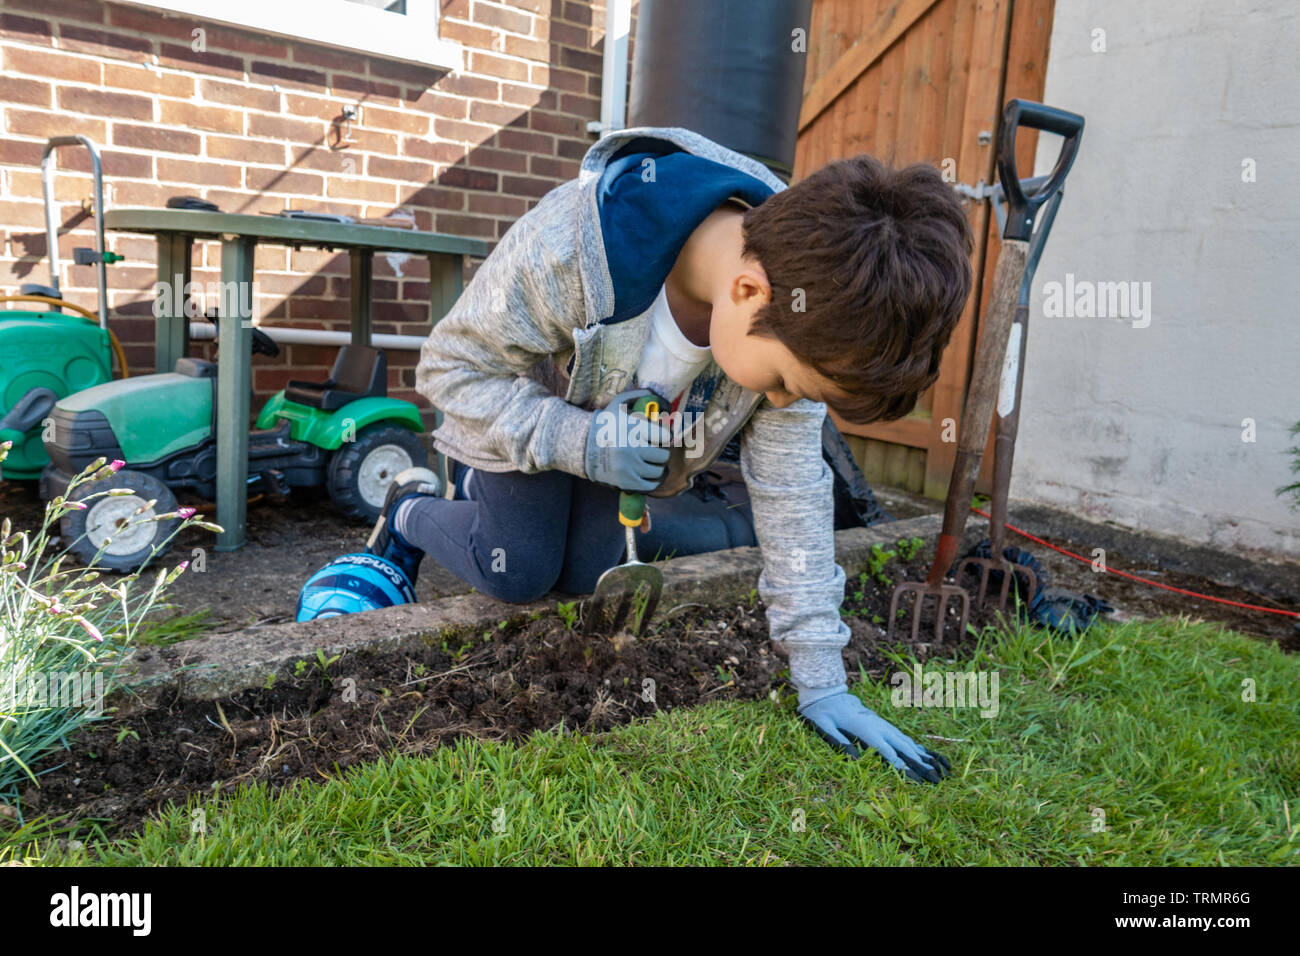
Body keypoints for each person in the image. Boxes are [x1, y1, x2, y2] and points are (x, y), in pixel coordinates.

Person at [366, 127, 971, 783]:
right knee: (518, 572)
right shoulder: (572, 248)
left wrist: (823, 682)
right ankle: (408, 508)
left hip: (612, 435)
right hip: (522, 410)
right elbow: (449, 370)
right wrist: (583, 443)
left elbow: (791, 492)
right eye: (781, 385)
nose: (781, 402)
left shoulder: (809, 299)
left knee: (590, 571)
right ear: (748, 293)